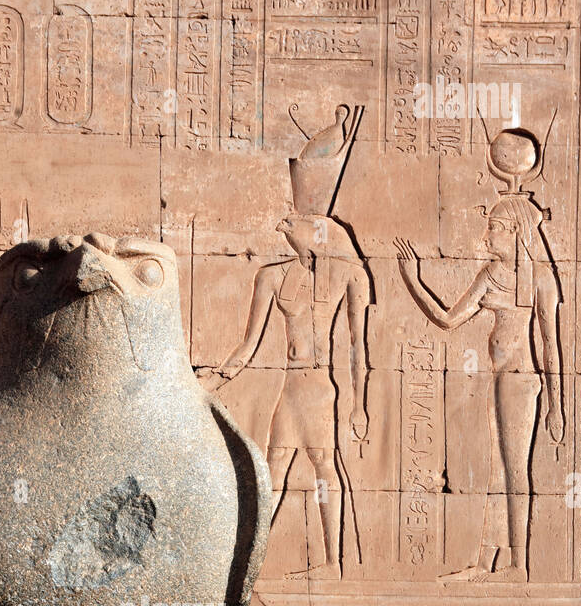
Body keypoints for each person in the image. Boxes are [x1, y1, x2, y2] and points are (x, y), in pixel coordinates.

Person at [396, 190, 563, 581]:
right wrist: (413, 279)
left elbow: (550, 344)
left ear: (516, 232)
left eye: (494, 229)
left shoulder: (539, 279)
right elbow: (448, 319)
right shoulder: (490, 275)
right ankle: (487, 561)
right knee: (498, 470)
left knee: (514, 470)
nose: (487, 237)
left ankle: (518, 565)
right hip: (501, 378)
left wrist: (557, 404)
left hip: (522, 383)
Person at [206, 211, 370, 576]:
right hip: (293, 386)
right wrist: (215, 379)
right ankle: (252, 557)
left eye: (295, 222)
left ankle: (331, 562)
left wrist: (359, 404)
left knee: (323, 467)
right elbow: (249, 345)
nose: (284, 226)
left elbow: (358, 345)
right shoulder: (272, 276)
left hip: (319, 389)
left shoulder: (348, 275)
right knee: (274, 469)